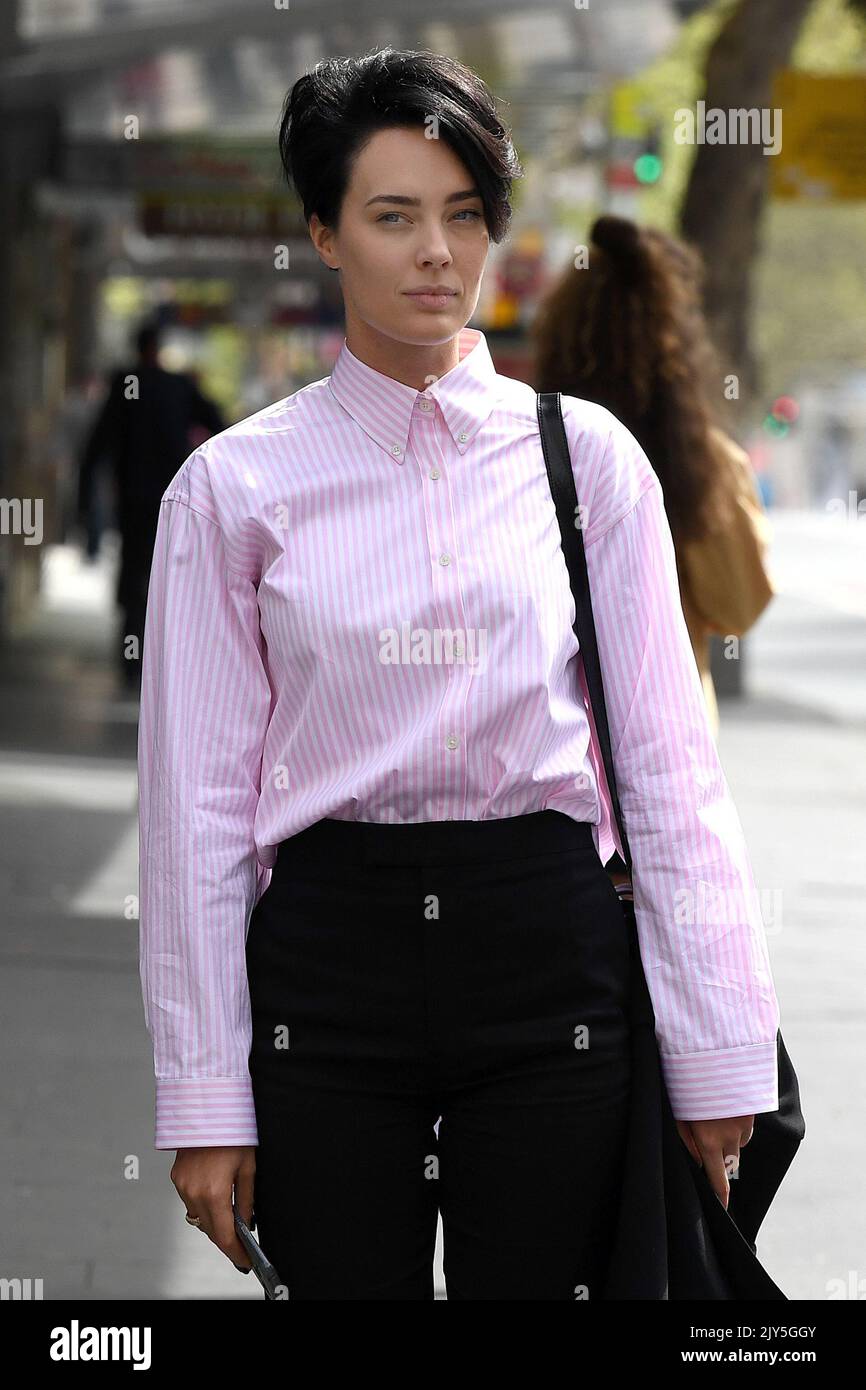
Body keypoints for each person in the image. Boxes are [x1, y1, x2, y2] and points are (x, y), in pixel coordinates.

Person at [137, 48, 781, 1300]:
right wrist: (203, 1091)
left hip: (547, 954)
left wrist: (716, 1054)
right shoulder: (233, 487)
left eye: (463, 215)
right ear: (323, 234)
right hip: (327, 970)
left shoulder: (585, 461)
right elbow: (195, 812)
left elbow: (665, 768)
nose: (436, 250)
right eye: (392, 216)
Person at [532, 214, 776, 739]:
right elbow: (738, 605)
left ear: (560, 333)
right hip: (673, 732)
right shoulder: (707, 465)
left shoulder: (521, 448)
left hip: (548, 742)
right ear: (681, 347)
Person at [77, 321, 225, 690]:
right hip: (176, 501)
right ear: (158, 348)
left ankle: (132, 660)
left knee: (133, 575)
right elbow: (221, 426)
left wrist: (84, 497)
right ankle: (162, 661)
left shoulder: (125, 385)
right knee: (171, 576)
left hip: (133, 500)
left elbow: (99, 442)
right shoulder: (179, 386)